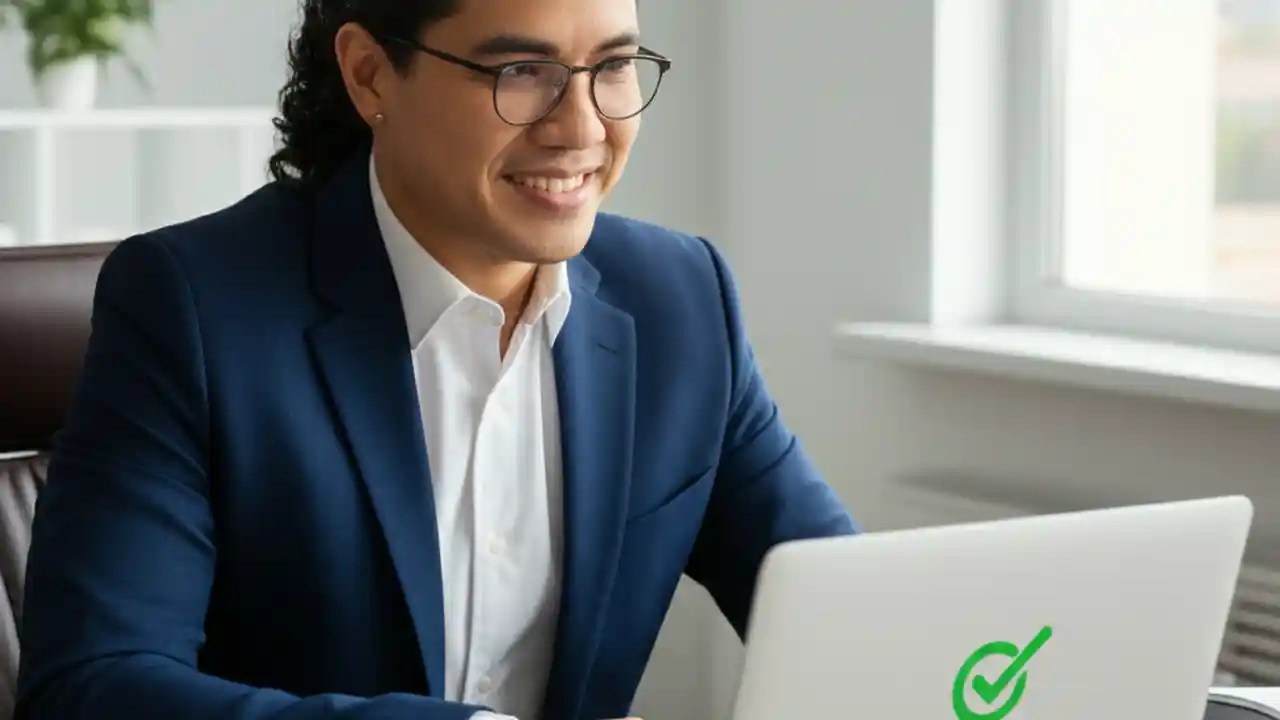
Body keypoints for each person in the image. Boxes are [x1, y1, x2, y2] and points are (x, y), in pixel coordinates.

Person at [15, 0, 857, 718]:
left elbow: (845, 606)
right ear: (372, 74)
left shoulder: (682, 300)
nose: (582, 128)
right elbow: (93, 685)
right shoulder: (194, 307)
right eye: (522, 71)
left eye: (614, 65)